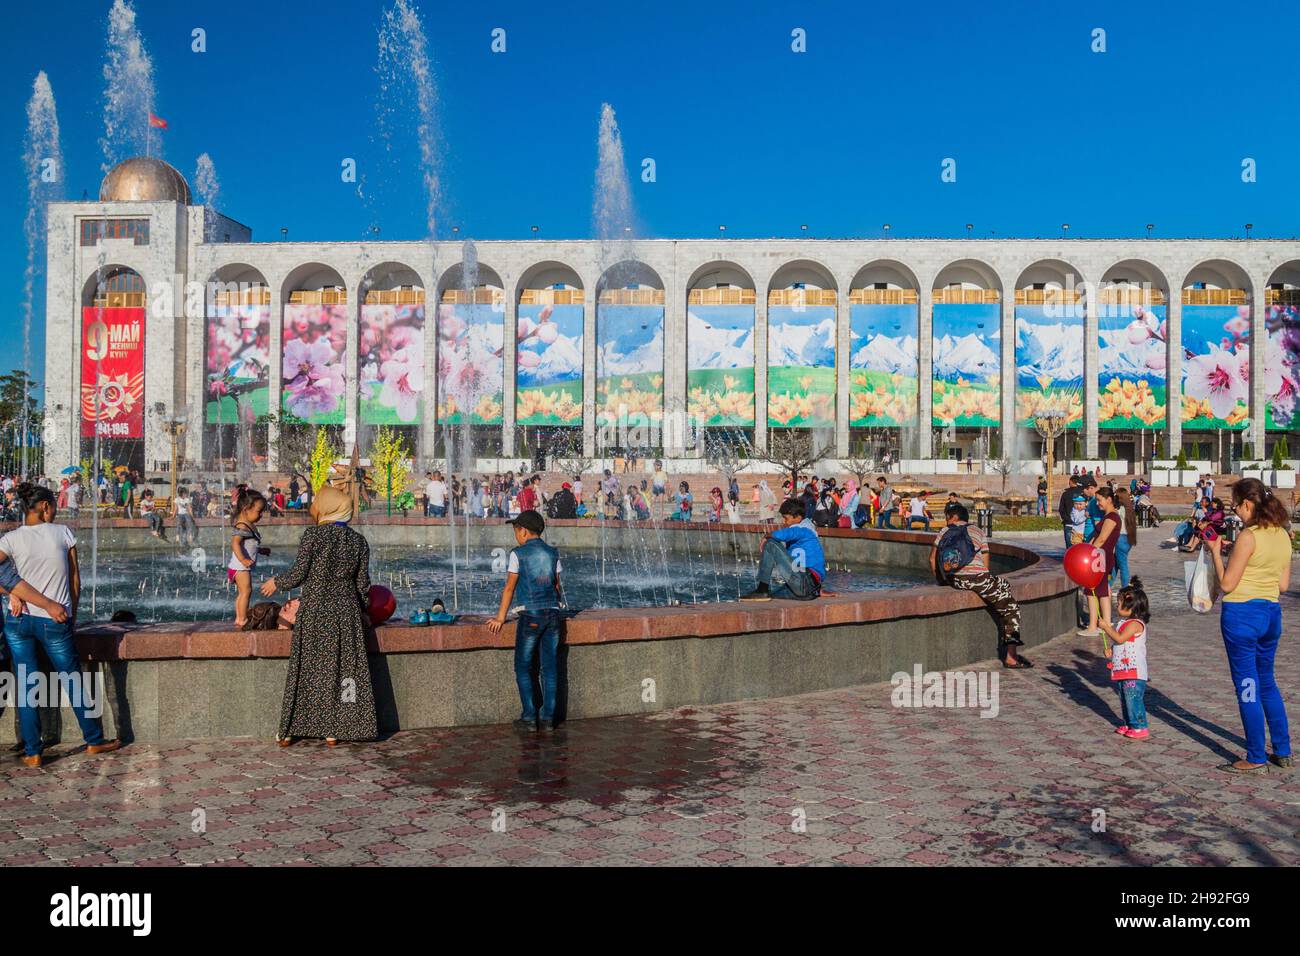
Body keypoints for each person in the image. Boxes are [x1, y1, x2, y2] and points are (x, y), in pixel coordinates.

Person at [0, 483, 121, 767]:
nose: (56, 510)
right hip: (55, 620)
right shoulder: (63, 533)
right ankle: (93, 740)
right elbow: (75, 580)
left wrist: (13, 593)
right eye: (54, 505)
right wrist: (72, 615)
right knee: (71, 679)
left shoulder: (10, 539)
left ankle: (32, 751)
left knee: (27, 683)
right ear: (44, 507)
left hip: (18, 621)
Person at [261, 485, 377, 746]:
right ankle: (334, 730)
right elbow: (362, 585)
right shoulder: (358, 541)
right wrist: (364, 610)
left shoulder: (313, 536)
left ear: (326, 507)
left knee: (308, 669)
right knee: (343, 671)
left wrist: (276, 583)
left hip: (316, 610)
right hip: (345, 612)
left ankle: (291, 729)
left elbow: (299, 572)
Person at [1205, 478, 1292, 774]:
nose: (1235, 513)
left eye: (1235, 506)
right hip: (1270, 614)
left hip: (1242, 616)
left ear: (1248, 504)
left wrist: (1216, 553)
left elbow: (1228, 584)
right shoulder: (1283, 534)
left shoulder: (1248, 536)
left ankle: (1255, 755)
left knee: (1247, 686)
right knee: (1266, 682)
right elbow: (1283, 584)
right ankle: (1283, 749)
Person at [487, 509, 564, 733]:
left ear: (523, 531)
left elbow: (510, 587)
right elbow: (557, 585)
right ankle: (548, 718)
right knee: (549, 669)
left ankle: (529, 717)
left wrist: (500, 617)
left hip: (530, 615)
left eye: (515, 530)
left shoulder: (518, 554)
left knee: (523, 666)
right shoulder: (553, 552)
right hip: (552, 615)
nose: (515, 536)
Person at [930, 503, 1028, 668]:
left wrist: (942, 581)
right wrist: (986, 584)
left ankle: (1000, 598)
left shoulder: (944, 531)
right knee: (1011, 607)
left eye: (947, 518)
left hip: (955, 579)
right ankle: (1011, 657)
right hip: (978, 578)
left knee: (1003, 584)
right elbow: (985, 565)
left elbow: (932, 559)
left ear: (954, 517)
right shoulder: (978, 531)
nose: (946, 522)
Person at [1097, 576, 1151, 740]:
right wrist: (1112, 651)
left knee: (1133, 699)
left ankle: (1140, 726)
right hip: (1123, 669)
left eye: (1120, 602)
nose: (1117, 605)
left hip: (1134, 670)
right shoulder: (1122, 623)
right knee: (1124, 698)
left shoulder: (1135, 624)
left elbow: (1120, 638)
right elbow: (1121, 644)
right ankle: (1129, 723)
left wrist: (1106, 628)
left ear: (1132, 606)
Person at [740, 498, 825, 601]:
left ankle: (762, 590)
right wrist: (818, 589)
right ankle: (763, 593)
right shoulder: (809, 533)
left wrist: (769, 535)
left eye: (786, 518)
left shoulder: (804, 530)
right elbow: (818, 566)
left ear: (798, 518)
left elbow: (790, 533)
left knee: (771, 544)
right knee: (772, 596)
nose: (783, 522)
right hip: (808, 590)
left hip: (804, 583)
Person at [1080, 486, 1122, 638]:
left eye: (1099, 500)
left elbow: (1102, 539)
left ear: (1109, 499)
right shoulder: (1108, 516)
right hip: (1101, 557)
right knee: (1101, 590)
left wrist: (1086, 553)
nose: (1097, 503)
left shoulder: (1112, 517)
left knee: (1093, 591)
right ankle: (1103, 623)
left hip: (1100, 558)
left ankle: (1094, 626)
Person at [229, 489, 269, 628]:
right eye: (259, 511)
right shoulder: (242, 525)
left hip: (240, 566)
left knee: (243, 593)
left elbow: (249, 545)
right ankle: (242, 619)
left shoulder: (248, 525)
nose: (261, 514)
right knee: (246, 591)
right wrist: (243, 560)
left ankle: (239, 618)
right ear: (246, 509)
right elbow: (235, 543)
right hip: (240, 567)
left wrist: (260, 550)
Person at [1111, 487, 1137, 588]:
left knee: (1123, 566)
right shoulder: (1130, 509)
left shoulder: (1119, 510)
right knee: (1115, 564)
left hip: (1120, 539)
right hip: (1128, 539)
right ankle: (1108, 585)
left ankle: (1125, 589)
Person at [1057, 474, 1081, 548]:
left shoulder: (1065, 494)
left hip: (1068, 523)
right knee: (1080, 546)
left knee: (1069, 546)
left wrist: (1066, 518)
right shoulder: (1082, 493)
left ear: (1071, 482)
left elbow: (1061, 509)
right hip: (1080, 524)